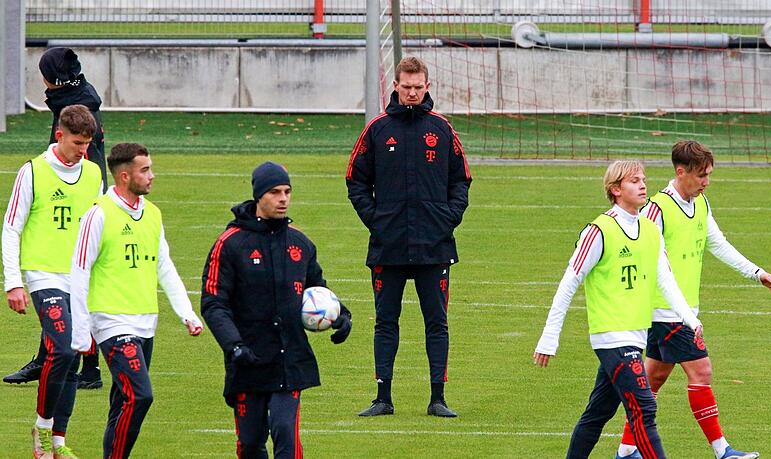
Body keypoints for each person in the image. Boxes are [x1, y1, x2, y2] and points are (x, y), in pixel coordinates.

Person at [614, 141, 771, 459]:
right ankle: (722, 451)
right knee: (701, 372)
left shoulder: (701, 203)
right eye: (701, 175)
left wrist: (755, 273)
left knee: (654, 378)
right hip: (666, 311)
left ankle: (626, 448)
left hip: (682, 310)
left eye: (708, 175)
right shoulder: (656, 210)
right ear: (681, 172)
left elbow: (717, 243)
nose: (706, 181)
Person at [534, 160, 704, 459]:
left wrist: (689, 318)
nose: (642, 185)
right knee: (644, 409)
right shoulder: (599, 231)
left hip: (635, 335)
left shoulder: (651, 230)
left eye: (643, 179)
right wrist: (549, 337)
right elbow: (568, 283)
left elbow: (665, 280)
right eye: (634, 180)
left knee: (598, 412)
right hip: (611, 336)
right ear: (615, 190)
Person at [346, 56, 472, 418]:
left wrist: (448, 219)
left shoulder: (442, 129)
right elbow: (355, 178)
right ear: (396, 87)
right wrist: (375, 220)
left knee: (437, 323)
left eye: (418, 87)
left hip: (435, 246)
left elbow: (460, 179)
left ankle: (438, 399)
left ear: (427, 87)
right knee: (386, 322)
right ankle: (382, 398)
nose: (412, 93)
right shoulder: (377, 129)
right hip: (389, 246)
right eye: (407, 87)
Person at [201, 161, 352, 458]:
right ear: (259, 196)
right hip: (249, 360)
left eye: (287, 191)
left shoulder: (300, 243)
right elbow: (213, 302)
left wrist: (341, 315)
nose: (283, 198)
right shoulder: (230, 244)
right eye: (274, 192)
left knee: (286, 433)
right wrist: (234, 347)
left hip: (290, 359)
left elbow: (317, 288)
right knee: (250, 442)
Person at [70, 143, 203, 458]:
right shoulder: (98, 214)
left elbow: (164, 266)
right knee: (140, 396)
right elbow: (79, 271)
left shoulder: (153, 214)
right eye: (145, 170)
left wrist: (187, 312)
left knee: (122, 401)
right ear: (125, 176)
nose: (152, 176)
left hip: (146, 322)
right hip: (112, 323)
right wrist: (81, 329)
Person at [2, 104, 103, 459]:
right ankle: (42, 432)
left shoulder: (93, 174)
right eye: (77, 142)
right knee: (60, 348)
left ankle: (58, 442)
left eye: (87, 144)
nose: (83, 150)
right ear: (59, 135)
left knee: (72, 355)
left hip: (81, 280)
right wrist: (13, 282)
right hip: (44, 274)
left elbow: (99, 230)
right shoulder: (32, 172)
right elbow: (11, 228)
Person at [4, 46, 106, 390]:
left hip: (79, 204)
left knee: (77, 300)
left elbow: (82, 161)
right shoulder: (77, 97)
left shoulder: (74, 109)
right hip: (72, 205)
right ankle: (52, 359)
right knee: (66, 304)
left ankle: (85, 369)